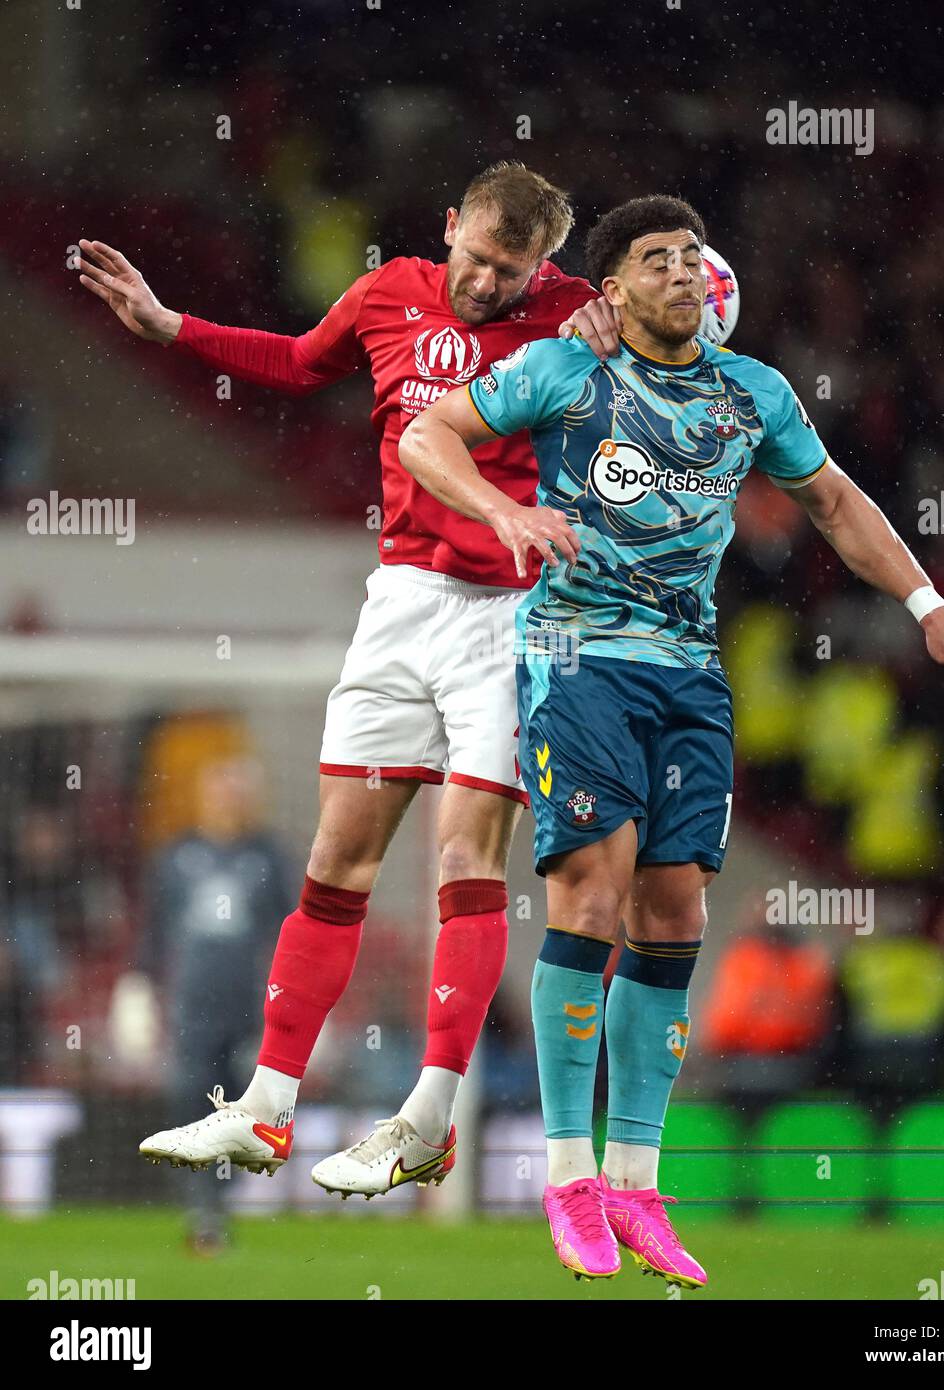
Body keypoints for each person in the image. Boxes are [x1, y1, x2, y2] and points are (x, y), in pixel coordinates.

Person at [398, 194, 944, 1285]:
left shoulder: (752, 393)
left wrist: (928, 607)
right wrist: (503, 515)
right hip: (579, 656)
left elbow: (830, 499)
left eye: (693, 257)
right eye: (657, 260)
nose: (686, 274)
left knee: (676, 908)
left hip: (692, 674)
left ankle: (637, 1183)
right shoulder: (560, 370)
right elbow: (425, 432)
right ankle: (569, 1177)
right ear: (615, 290)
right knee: (592, 893)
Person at [76, 162, 620, 1194]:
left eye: (512, 272)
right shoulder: (385, 295)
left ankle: (427, 1116)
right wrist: (167, 325)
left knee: (468, 854)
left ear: (541, 264)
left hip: (512, 616)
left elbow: (686, 334)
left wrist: (616, 334)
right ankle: (266, 1108)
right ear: (448, 225)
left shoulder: (575, 314)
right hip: (401, 604)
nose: (488, 286)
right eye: (477, 259)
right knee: (337, 859)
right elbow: (293, 361)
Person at [136, 757, 292, 1252]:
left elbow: (289, 935)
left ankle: (220, 1201)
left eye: (238, 790)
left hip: (250, 1011)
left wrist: (301, 1002)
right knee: (190, 1101)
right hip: (191, 1011)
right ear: (204, 796)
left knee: (244, 1112)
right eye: (221, 789)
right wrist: (136, 986)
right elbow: (153, 932)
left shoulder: (268, 857)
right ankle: (202, 1209)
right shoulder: (176, 857)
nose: (230, 799)